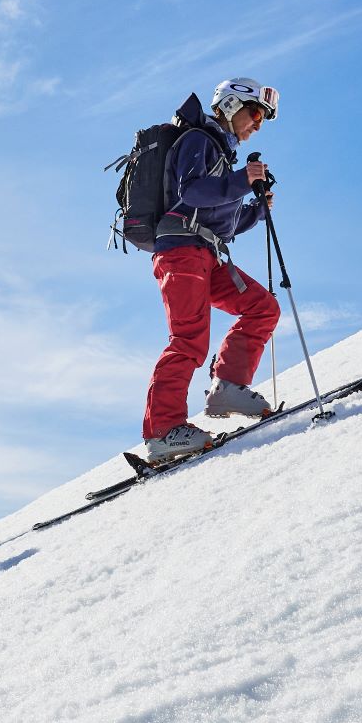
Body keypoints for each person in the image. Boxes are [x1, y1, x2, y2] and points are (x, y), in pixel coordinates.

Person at [141, 78, 283, 462]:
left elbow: (222, 221)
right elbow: (192, 193)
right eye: (255, 113)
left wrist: (256, 209)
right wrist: (240, 181)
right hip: (181, 253)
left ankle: (229, 387)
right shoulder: (199, 140)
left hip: (207, 254)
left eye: (263, 119)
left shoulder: (221, 153)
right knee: (188, 339)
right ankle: (162, 431)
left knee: (263, 308)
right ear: (232, 106)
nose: (258, 124)